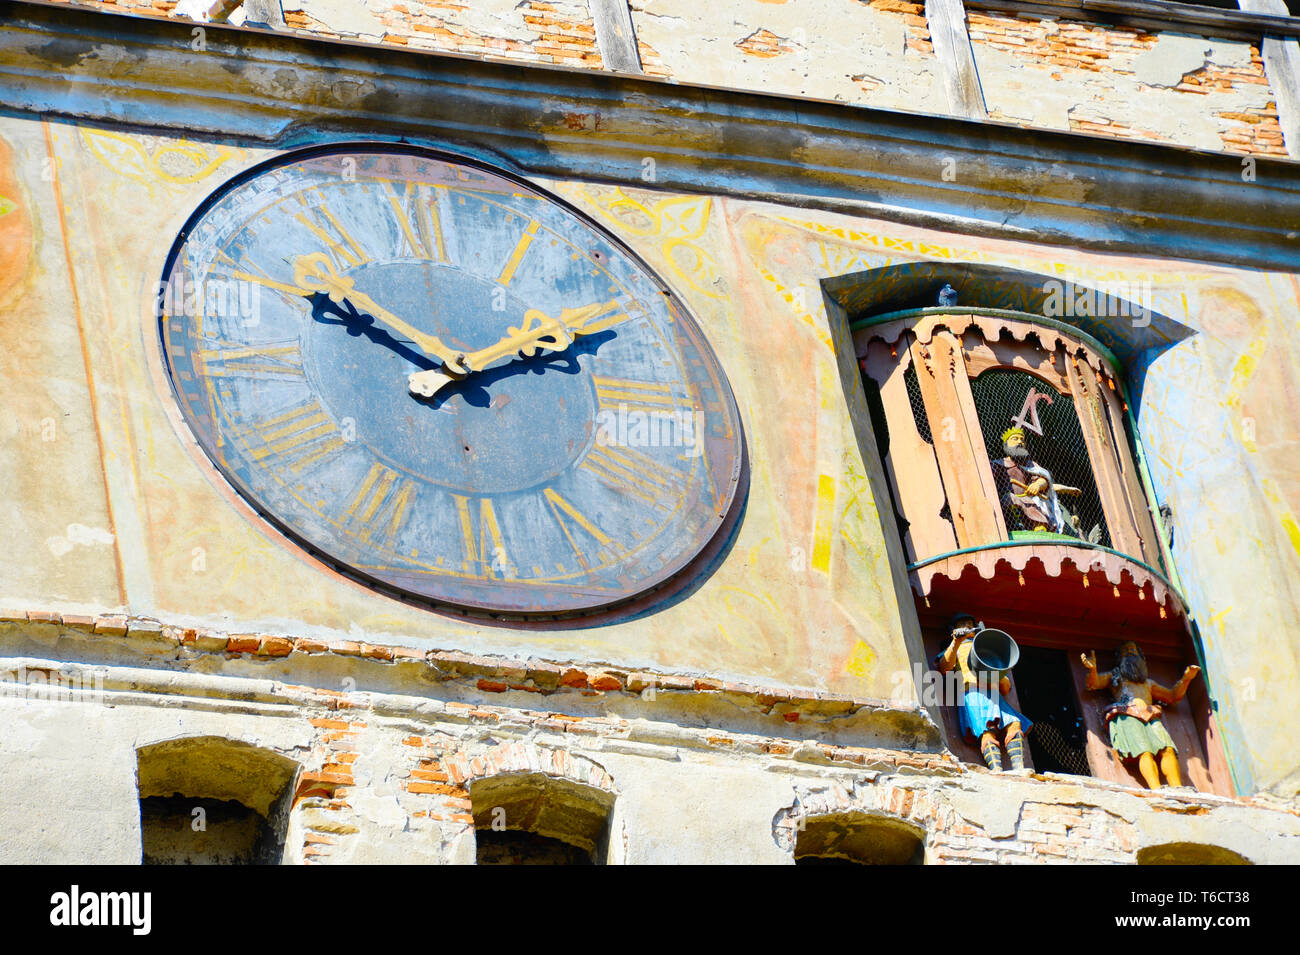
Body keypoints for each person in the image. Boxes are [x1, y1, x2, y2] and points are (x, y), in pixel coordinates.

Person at [1081, 642, 1200, 789]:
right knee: (1144, 751)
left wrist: (1186, 678)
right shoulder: (1116, 676)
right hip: (1127, 714)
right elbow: (1094, 683)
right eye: (1126, 651)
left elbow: (1173, 696)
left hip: (1150, 715)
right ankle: (1155, 788)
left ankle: (1177, 788)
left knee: (1168, 749)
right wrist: (1093, 670)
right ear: (1120, 659)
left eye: (1134, 651)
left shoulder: (1148, 683)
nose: (1131, 653)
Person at [936, 613, 1031, 772]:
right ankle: (996, 769)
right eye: (962, 624)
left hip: (993, 692)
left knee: (1014, 724)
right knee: (986, 731)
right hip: (972, 693)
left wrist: (999, 674)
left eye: (969, 623)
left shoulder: (984, 647)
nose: (967, 627)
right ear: (954, 629)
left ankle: (1019, 768)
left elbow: (1005, 687)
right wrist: (956, 642)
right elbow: (944, 667)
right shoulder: (954, 649)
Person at [989, 425, 1075, 535]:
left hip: (1028, 499)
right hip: (1008, 500)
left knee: (1036, 512)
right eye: (1015, 439)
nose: (1019, 442)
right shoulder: (999, 464)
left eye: (1022, 439)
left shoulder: (1030, 465)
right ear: (1006, 443)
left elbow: (1044, 478)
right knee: (1010, 499)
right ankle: (1015, 526)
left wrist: (1038, 485)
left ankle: (1040, 528)